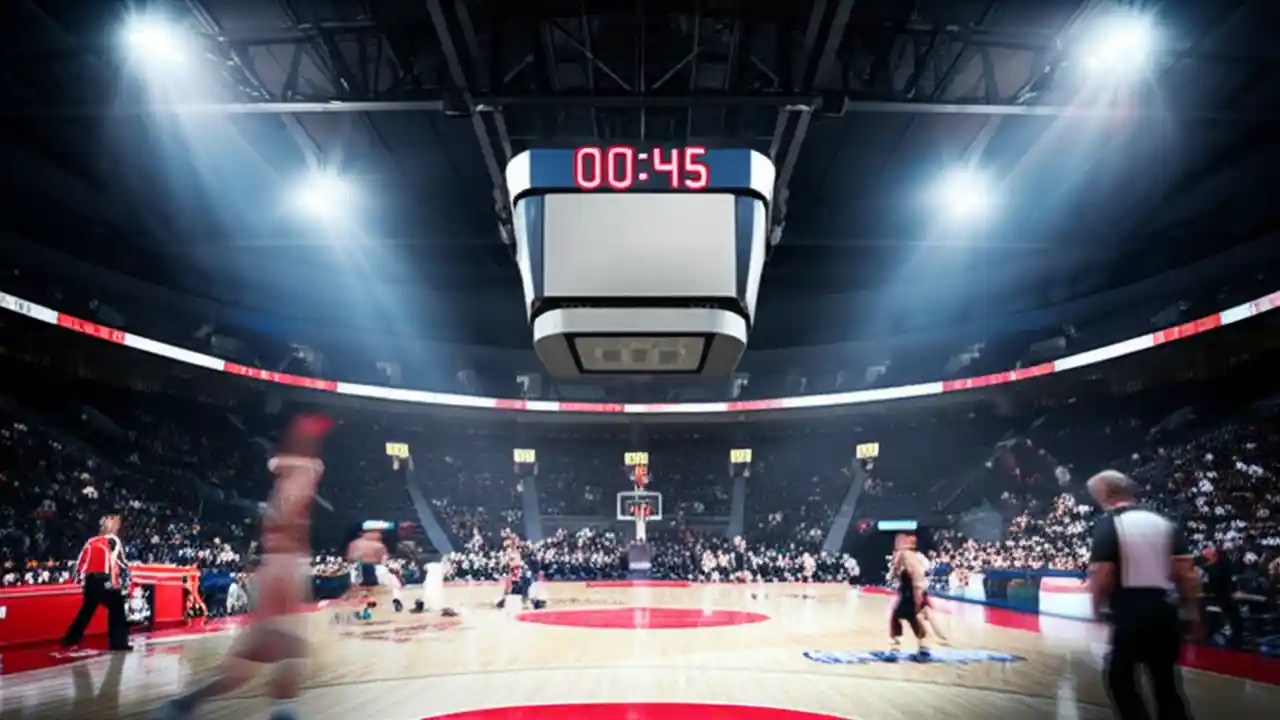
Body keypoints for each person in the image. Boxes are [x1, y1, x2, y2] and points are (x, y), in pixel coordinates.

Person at [157, 414, 332, 720]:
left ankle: (187, 703)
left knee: (251, 663)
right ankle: (279, 711)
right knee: (288, 648)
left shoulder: (291, 476)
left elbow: (280, 470)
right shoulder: (297, 480)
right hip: (282, 569)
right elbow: (287, 507)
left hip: (282, 568)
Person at [1087, 470, 1201, 720]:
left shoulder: (1109, 524)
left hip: (1132, 610)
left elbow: (1103, 573)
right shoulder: (1165, 522)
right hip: (1166, 609)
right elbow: (1187, 574)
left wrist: (1096, 608)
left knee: (1120, 677)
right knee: (1166, 683)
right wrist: (1192, 611)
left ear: (1106, 493)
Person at [62, 514, 132, 651]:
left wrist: (78, 580)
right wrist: (128, 573)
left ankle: (70, 639)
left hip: (90, 582)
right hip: (105, 581)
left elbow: (80, 562)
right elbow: (121, 561)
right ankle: (118, 643)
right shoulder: (113, 541)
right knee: (117, 607)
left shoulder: (91, 541)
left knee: (87, 610)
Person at [888, 533, 930, 659]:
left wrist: (895, 572)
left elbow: (896, 571)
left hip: (910, 589)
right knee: (912, 618)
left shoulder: (903, 554)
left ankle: (895, 647)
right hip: (918, 589)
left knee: (896, 617)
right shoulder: (920, 557)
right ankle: (923, 647)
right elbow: (925, 572)